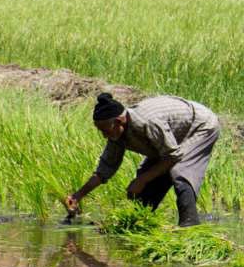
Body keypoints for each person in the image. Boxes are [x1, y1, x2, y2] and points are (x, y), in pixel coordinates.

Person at [65, 92, 219, 227]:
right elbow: (105, 169)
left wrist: (142, 180)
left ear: (119, 121)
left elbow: (172, 156)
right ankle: (141, 221)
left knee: (180, 172)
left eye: (105, 130)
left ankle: (189, 225)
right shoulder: (116, 134)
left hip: (199, 126)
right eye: (101, 131)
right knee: (145, 174)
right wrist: (77, 196)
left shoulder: (147, 122)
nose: (104, 135)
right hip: (171, 137)